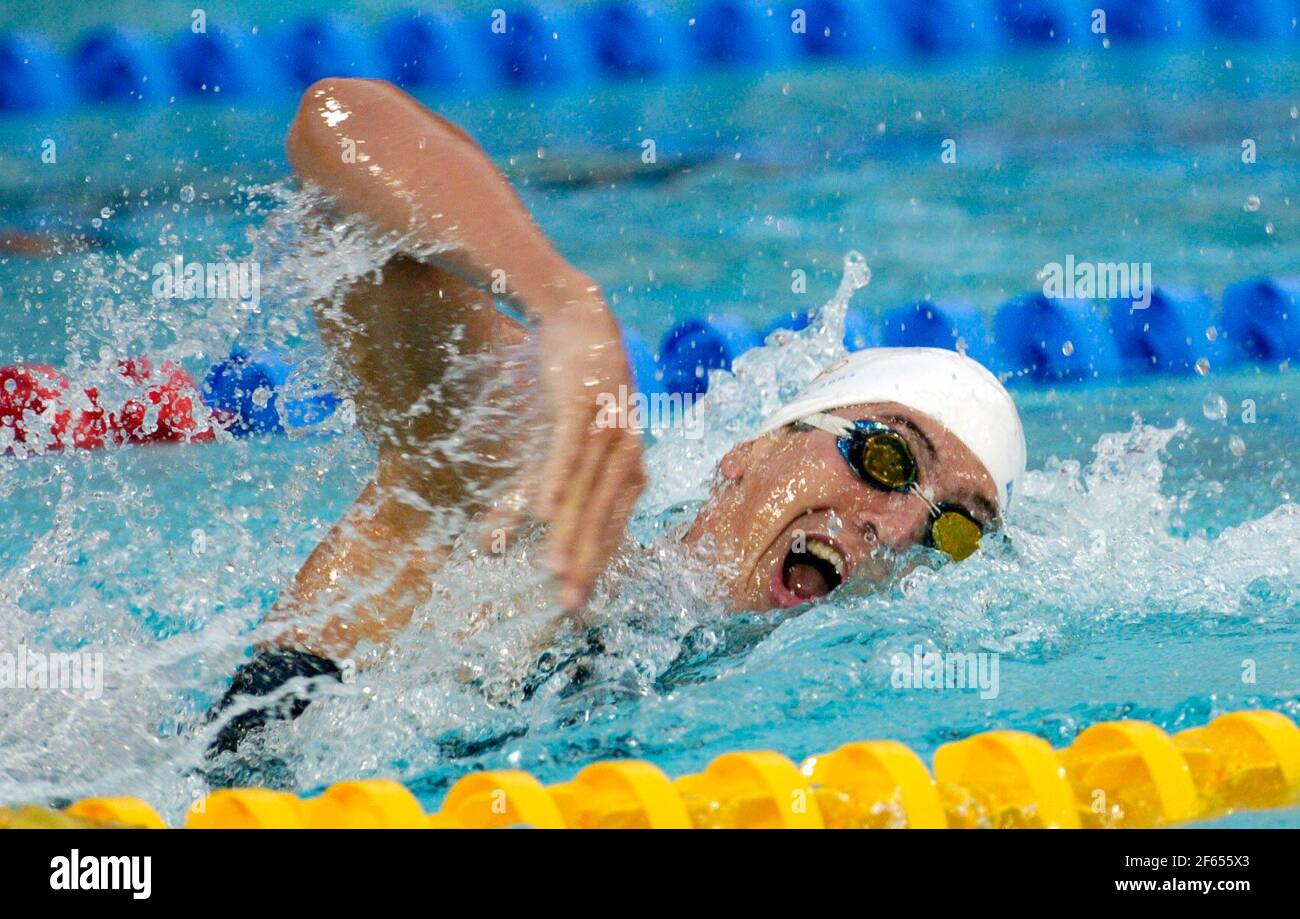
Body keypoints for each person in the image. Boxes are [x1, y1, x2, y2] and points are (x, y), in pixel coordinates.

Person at [206, 78, 1026, 759]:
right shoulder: (537, 496)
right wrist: (561, 300)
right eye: (884, 457)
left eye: (952, 531)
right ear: (750, 450)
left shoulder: (766, 722)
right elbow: (338, 125)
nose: (899, 524)